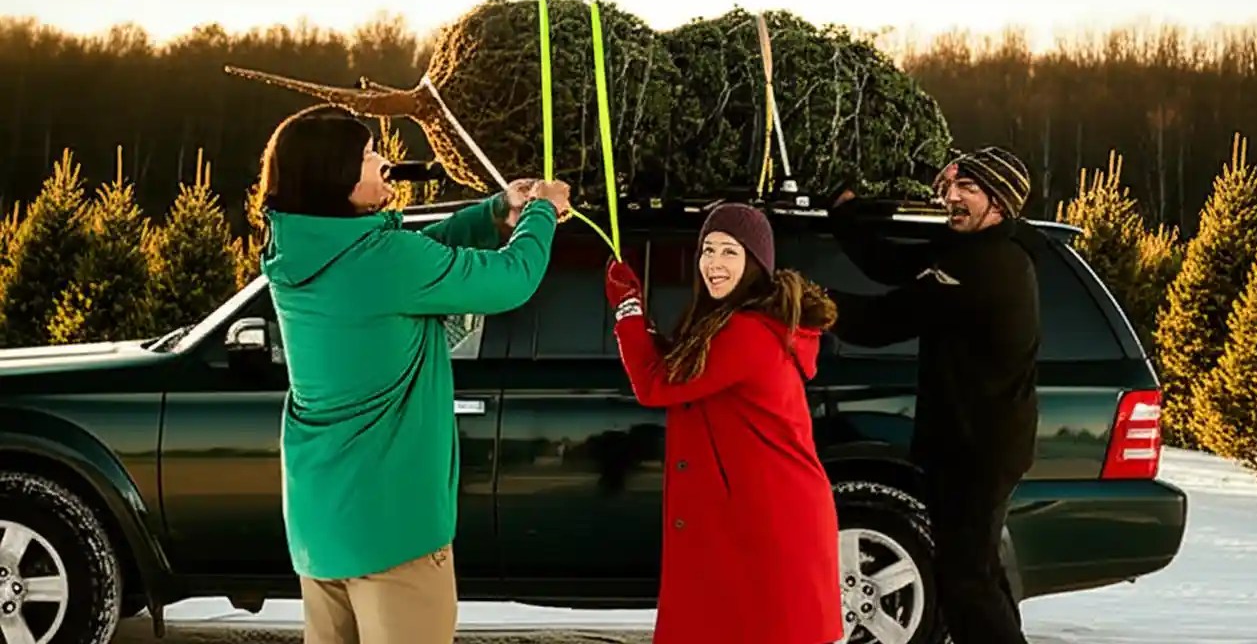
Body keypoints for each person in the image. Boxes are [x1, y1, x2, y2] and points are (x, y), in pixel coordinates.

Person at [255, 103, 570, 644]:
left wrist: (494, 211)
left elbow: (416, 257)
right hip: (392, 524)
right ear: (336, 177)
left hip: (322, 523)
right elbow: (510, 279)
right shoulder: (385, 260)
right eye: (368, 155)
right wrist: (541, 213)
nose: (384, 162)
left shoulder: (297, 250)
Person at [824, 146, 1041, 644]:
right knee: (979, 572)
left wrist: (804, 299)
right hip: (967, 443)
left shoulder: (990, 267)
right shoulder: (968, 248)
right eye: (951, 187)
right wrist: (845, 213)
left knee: (965, 580)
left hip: (978, 449)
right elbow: (893, 263)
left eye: (968, 189)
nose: (952, 198)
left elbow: (884, 320)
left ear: (999, 202)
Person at [602, 202, 844, 644]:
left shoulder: (748, 333)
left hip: (768, 525)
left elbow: (658, 386)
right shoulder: (732, 324)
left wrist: (628, 312)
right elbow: (682, 366)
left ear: (755, 263)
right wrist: (640, 320)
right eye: (707, 250)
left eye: (729, 252)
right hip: (755, 516)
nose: (713, 264)